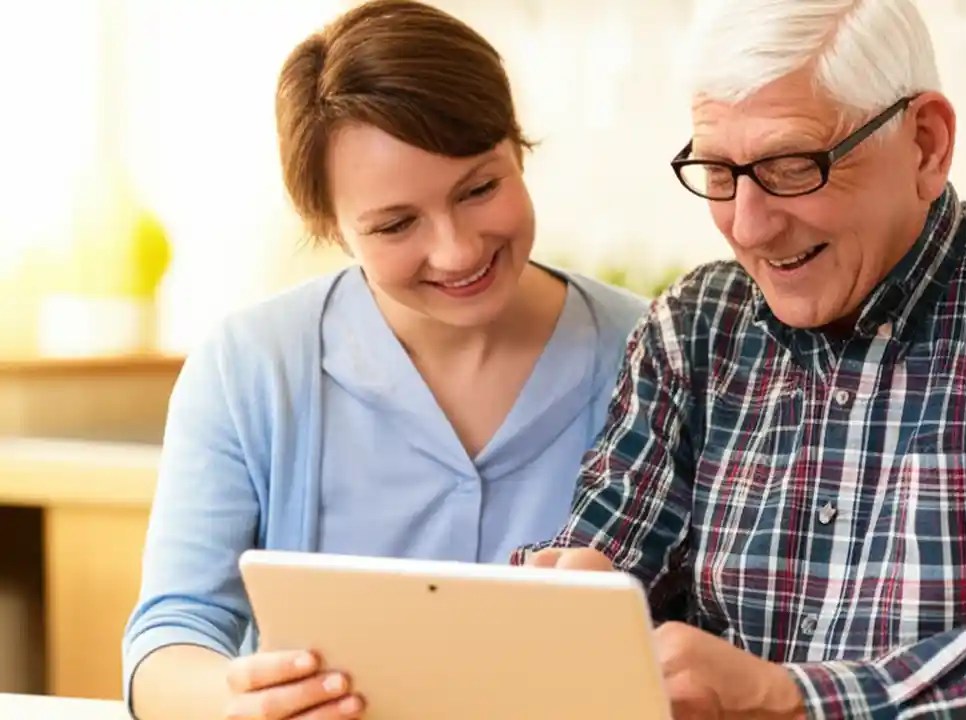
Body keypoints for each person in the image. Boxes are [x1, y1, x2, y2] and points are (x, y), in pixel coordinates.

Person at [521, 0, 966, 717]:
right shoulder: (695, 327)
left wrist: (794, 700)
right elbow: (605, 565)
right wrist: (579, 600)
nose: (750, 226)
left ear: (925, 143)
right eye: (720, 173)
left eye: (792, 167)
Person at [121, 1, 646, 718]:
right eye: (396, 224)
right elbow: (170, 638)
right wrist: (233, 701)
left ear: (517, 150)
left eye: (481, 188)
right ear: (331, 229)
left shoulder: (654, 353)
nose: (458, 250)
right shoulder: (250, 366)